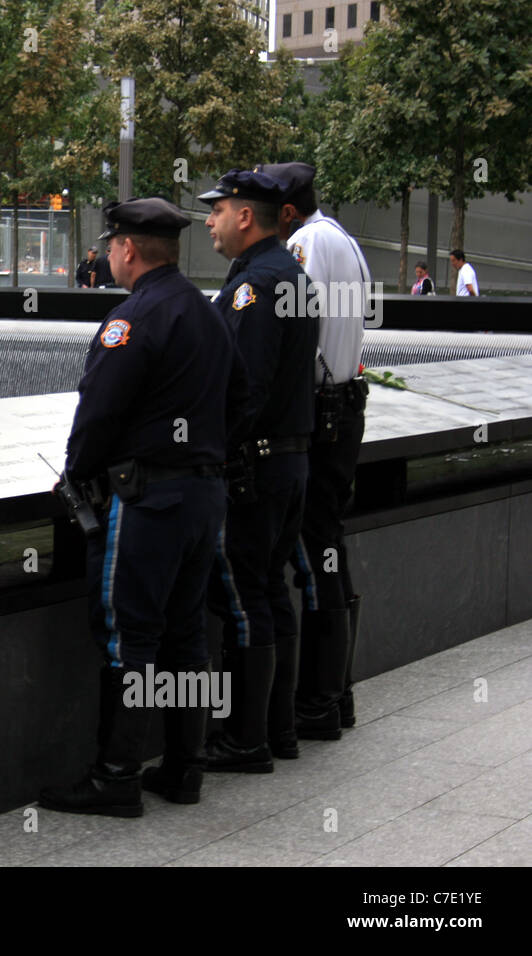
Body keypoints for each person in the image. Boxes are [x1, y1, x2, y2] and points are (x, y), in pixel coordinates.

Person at [38, 198, 246, 816]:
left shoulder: (132, 319)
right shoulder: (210, 316)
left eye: (109, 247)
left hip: (147, 499)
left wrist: (76, 474)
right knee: (187, 636)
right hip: (204, 496)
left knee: (129, 634)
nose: (106, 256)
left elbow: (98, 411)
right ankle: (185, 768)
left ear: (127, 249)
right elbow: (240, 399)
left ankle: (116, 776)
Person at [197, 168, 318, 774]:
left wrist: (211, 453)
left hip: (258, 466)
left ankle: (244, 740)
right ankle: (278, 729)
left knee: (246, 599)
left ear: (246, 216)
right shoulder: (287, 275)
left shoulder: (257, 285)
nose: (210, 221)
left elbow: (244, 385)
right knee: (271, 590)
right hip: (288, 458)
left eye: (216, 210)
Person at [257, 162, 372, 747]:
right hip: (347, 405)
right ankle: (337, 694)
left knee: (316, 547)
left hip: (321, 414)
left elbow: (297, 334)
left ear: (286, 212)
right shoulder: (345, 240)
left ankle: (320, 702)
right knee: (331, 544)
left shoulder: (303, 244)